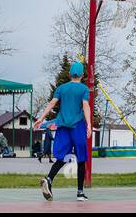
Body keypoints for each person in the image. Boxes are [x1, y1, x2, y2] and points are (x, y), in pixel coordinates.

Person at [33, 60, 92, 202]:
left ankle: (49, 179)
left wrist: (41, 118)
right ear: (82, 75)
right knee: (81, 159)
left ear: (70, 74)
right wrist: (89, 124)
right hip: (77, 126)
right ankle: (79, 193)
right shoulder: (84, 89)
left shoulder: (61, 88)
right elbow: (85, 106)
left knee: (61, 157)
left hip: (63, 127)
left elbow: (52, 103)